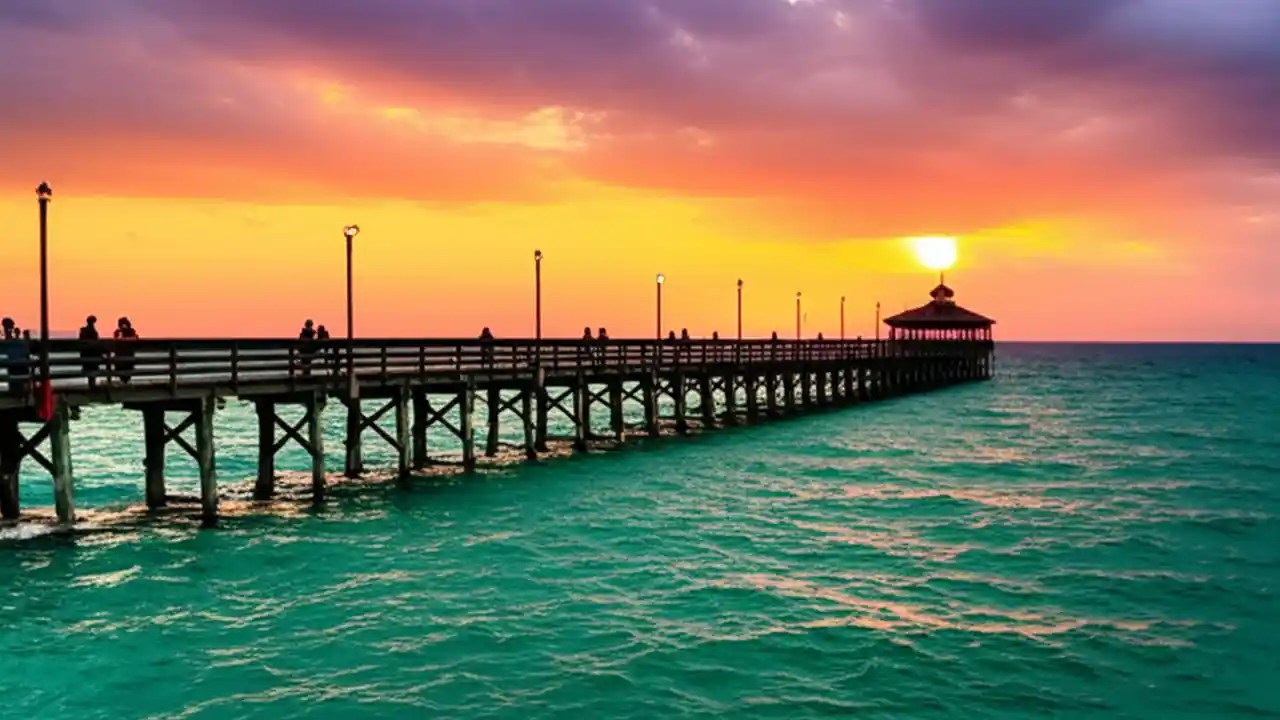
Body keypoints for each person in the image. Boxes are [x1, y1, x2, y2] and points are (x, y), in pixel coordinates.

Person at [79, 315, 102, 389]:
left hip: (88, 353)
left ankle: (91, 384)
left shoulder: (85, 330)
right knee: (92, 368)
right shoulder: (89, 330)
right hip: (91, 353)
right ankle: (92, 384)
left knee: (90, 369)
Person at [113, 317, 138, 384]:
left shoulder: (121, 332)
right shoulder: (120, 332)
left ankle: (124, 381)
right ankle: (125, 381)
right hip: (125, 360)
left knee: (124, 364)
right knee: (125, 364)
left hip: (124, 360)